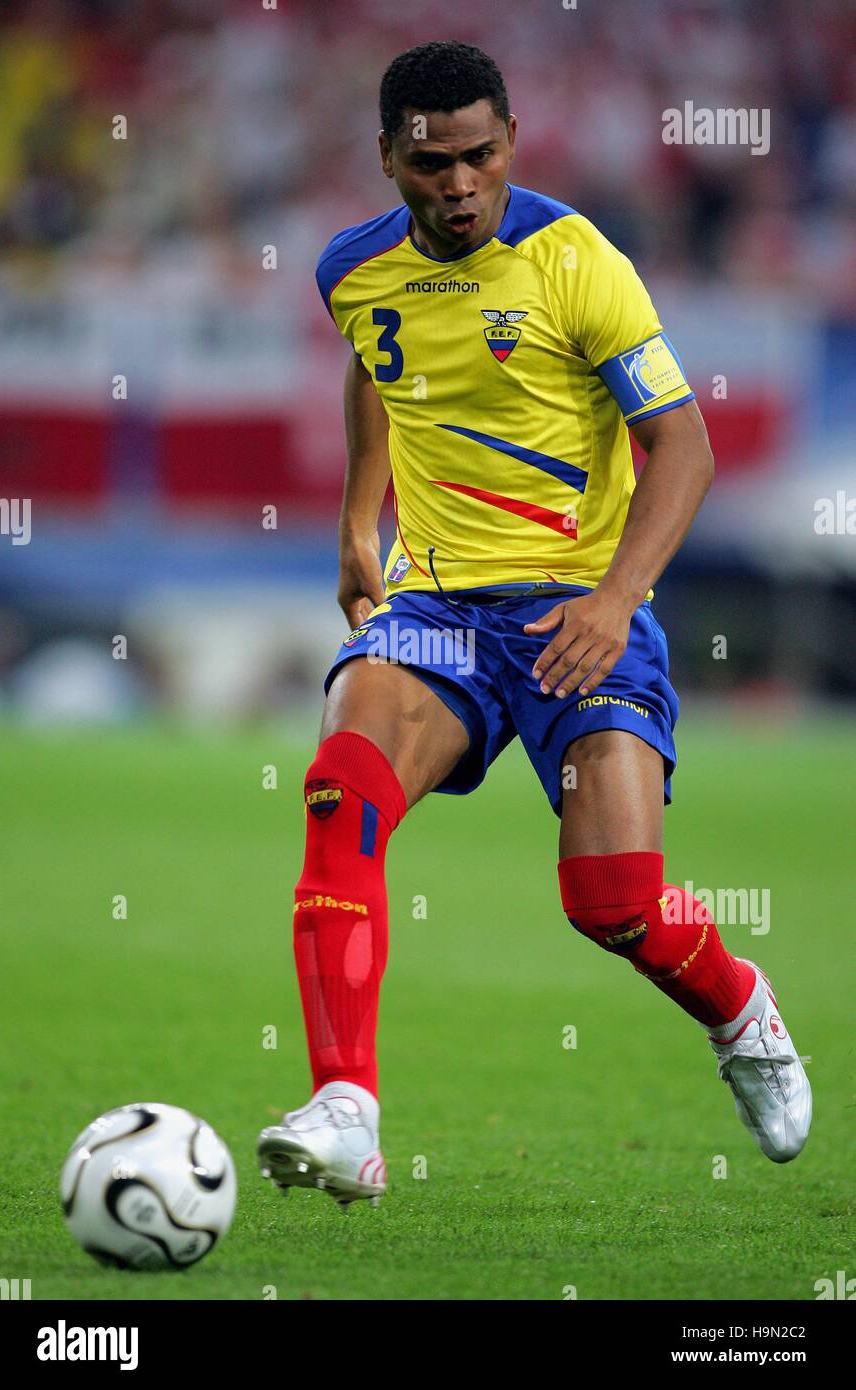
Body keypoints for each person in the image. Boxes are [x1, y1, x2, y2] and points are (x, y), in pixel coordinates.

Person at [257, 40, 811, 1210]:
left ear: (509, 142)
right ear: (387, 159)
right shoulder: (349, 268)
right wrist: (360, 516)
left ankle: (738, 1009)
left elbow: (684, 445)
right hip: (437, 607)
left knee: (610, 902)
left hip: (577, 612)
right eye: (430, 163)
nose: (457, 185)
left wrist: (613, 602)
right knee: (337, 790)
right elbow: (377, 367)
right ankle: (346, 1105)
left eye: (478, 157)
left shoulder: (577, 264)